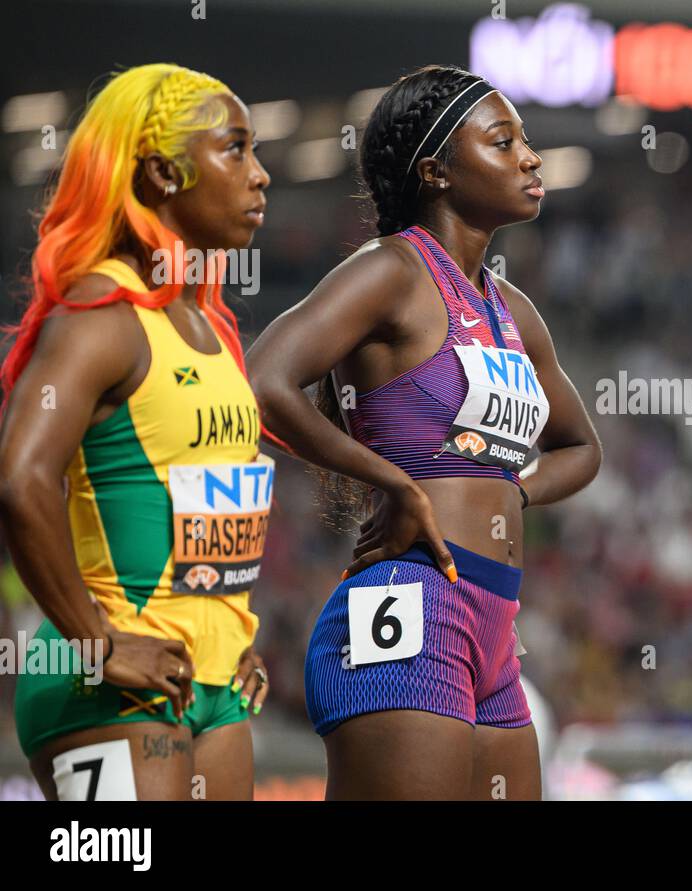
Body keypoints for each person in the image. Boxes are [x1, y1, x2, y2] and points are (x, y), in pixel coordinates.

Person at [247, 65, 601, 800]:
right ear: (437, 171)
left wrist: (517, 497)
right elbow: (262, 381)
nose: (531, 158)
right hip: (409, 606)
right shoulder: (389, 271)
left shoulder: (513, 310)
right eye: (504, 142)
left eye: (526, 141)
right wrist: (392, 480)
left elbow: (581, 448)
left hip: (496, 625)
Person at [0, 63, 273, 801]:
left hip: (209, 686)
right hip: (107, 680)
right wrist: (97, 639)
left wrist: (233, 638)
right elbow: (20, 477)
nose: (261, 175)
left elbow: (213, 507)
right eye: (237, 148)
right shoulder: (101, 314)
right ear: (162, 172)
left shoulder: (210, 326)